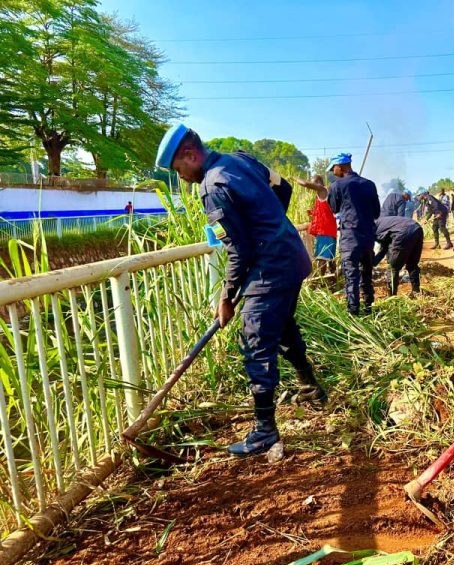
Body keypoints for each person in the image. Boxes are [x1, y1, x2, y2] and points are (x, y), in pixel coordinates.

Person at [155, 124, 326, 457]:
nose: (183, 178)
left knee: (256, 342)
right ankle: (309, 387)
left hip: (271, 268)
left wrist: (226, 297)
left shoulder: (212, 186)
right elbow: (285, 188)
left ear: (190, 155)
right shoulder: (241, 160)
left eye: (179, 169)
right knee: (284, 327)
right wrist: (273, 223)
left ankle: (264, 431)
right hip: (291, 258)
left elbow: (239, 251)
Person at [316, 152, 380, 315]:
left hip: (350, 239)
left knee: (351, 276)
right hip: (368, 238)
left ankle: (353, 313)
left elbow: (334, 209)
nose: (332, 172)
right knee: (366, 275)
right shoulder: (369, 184)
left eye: (333, 168)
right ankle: (369, 310)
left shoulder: (337, 186)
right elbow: (377, 212)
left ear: (341, 167)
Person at [372, 216, 424, 295]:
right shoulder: (381, 223)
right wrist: (374, 262)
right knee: (412, 264)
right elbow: (384, 247)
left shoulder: (370, 229)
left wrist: (370, 262)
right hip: (417, 228)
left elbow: (380, 248)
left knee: (393, 267)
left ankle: (392, 297)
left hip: (403, 232)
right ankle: (416, 292)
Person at [302, 174, 337, 277]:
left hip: (325, 231)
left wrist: (294, 178)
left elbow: (305, 184)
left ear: (318, 183)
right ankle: (333, 279)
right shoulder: (324, 193)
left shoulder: (323, 191)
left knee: (322, 257)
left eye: (313, 183)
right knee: (330, 257)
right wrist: (313, 213)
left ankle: (321, 282)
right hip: (329, 229)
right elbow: (326, 212)